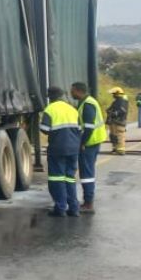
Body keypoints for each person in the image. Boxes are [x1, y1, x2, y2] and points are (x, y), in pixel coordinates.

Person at [40, 87, 81, 217]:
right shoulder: (72, 109)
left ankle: (60, 208)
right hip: (74, 149)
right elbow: (80, 128)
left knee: (56, 178)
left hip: (57, 149)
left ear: (50, 97)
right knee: (70, 178)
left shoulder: (50, 109)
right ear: (62, 95)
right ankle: (74, 208)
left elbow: (44, 129)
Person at [71, 82, 107, 213]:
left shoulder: (88, 104)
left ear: (78, 91)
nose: (71, 93)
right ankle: (88, 201)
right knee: (87, 171)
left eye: (72, 91)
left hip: (90, 143)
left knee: (87, 173)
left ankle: (88, 203)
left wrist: (82, 143)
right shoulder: (85, 102)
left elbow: (89, 127)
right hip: (91, 142)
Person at [106, 87, 130, 155]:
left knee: (119, 135)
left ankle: (120, 150)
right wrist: (108, 110)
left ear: (117, 94)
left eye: (114, 94)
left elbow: (122, 111)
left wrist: (115, 113)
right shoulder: (116, 101)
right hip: (113, 122)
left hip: (119, 122)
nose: (113, 95)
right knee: (113, 136)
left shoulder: (122, 101)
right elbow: (111, 108)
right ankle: (115, 148)